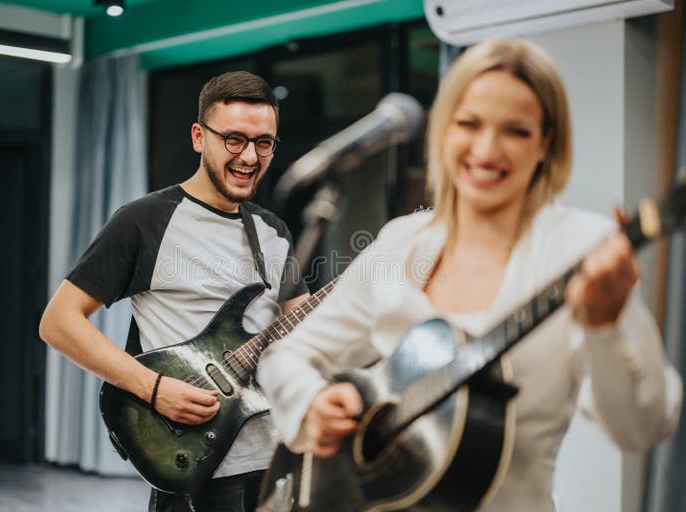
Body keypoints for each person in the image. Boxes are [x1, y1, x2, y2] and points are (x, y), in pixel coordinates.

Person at [256, 39, 683, 511]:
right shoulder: (402, 243)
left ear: (546, 142)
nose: (486, 149)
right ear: (444, 129)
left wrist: (607, 326)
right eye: (469, 123)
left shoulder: (582, 248)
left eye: (516, 131)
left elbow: (644, 428)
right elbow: (284, 355)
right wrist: (311, 403)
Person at [39, 70, 309, 512]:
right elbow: (59, 322)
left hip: (276, 459)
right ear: (199, 137)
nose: (250, 156)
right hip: (197, 468)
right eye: (234, 139)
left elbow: (306, 326)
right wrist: (153, 387)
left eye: (264, 143)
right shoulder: (144, 221)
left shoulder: (273, 231)